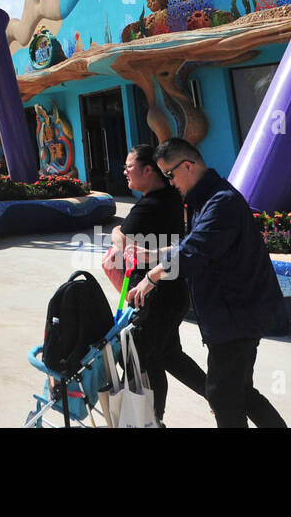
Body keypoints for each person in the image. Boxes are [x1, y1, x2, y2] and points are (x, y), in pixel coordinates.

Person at [128, 138, 288, 428]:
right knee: (239, 392)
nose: (169, 182)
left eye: (170, 174)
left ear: (187, 165)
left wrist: (151, 278)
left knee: (222, 396)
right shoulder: (206, 199)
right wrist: (151, 255)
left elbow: (194, 250)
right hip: (235, 312)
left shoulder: (220, 202)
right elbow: (192, 244)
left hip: (237, 314)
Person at [106, 145, 206, 424]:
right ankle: (217, 397)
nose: (124, 172)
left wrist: (116, 230)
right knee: (166, 355)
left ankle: (150, 418)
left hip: (153, 295)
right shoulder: (172, 197)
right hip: (172, 293)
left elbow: (119, 243)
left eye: (129, 167)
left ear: (148, 170)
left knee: (137, 358)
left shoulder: (149, 205)